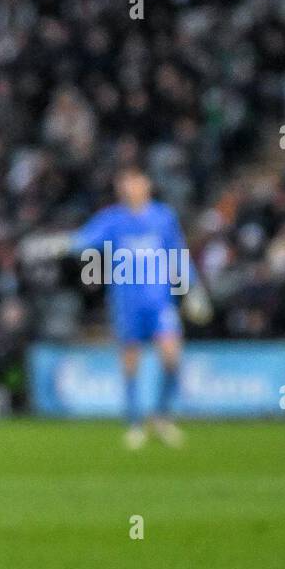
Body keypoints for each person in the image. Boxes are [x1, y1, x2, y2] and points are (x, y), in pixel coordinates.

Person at [73, 167, 194, 448]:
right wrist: (60, 243)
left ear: (146, 185)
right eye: (124, 185)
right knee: (130, 362)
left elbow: (177, 251)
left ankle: (162, 416)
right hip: (127, 302)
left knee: (171, 356)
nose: (130, 189)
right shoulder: (112, 220)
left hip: (160, 300)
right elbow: (83, 242)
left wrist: (192, 287)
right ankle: (135, 422)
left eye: (134, 183)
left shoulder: (163, 217)